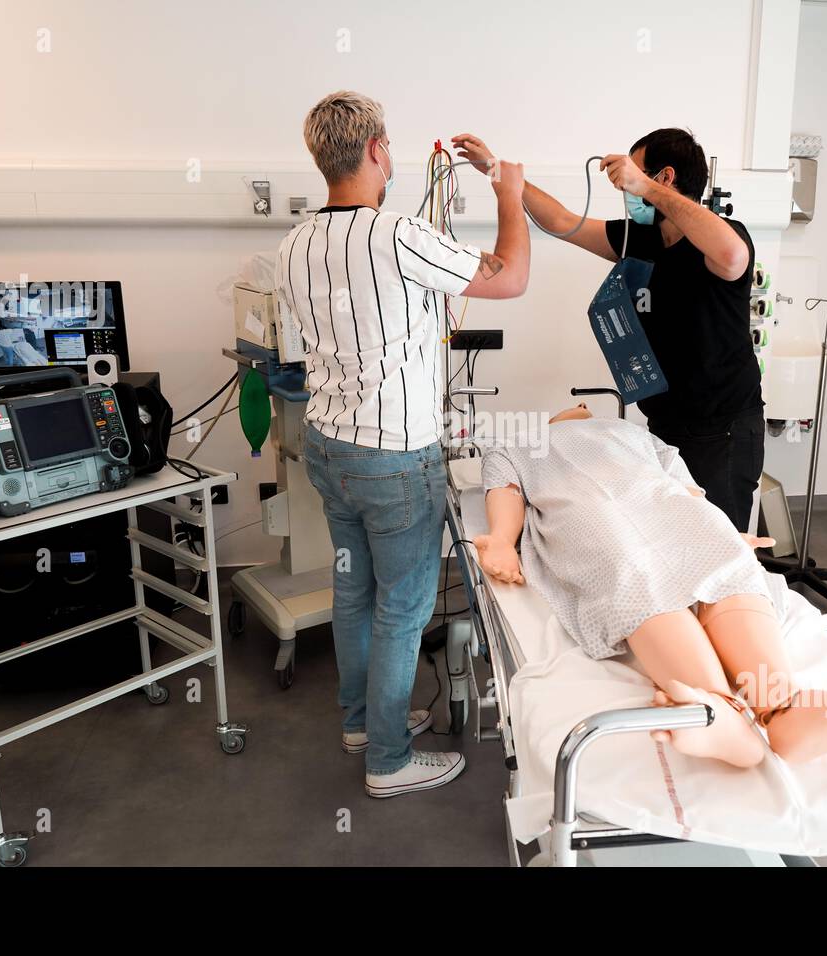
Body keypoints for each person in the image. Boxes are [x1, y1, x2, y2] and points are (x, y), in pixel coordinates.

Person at [277, 91, 529, 798]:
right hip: (393, 458)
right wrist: (508, 192)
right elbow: (510, 275)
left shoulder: (294, 242)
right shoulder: (395, 235)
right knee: (404, 607)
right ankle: (386, 761)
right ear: (379, 151)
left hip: (330, 448)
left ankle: (362, 722)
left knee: (355, 589)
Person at [475, 405, 827, 767]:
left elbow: (688, 491)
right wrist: (500, 541)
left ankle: (787, 712)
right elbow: (506, 493)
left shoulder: (633, 433)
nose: (577, 407)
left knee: (728, 565)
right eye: (569, 406)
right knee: (633, 571)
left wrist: (725, 533)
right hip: (590, 512)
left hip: (667, 507)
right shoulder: (516, 443)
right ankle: (718, 711)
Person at [453, 129, 765, 532]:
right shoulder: (641, 238)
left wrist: (646, 188)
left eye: (633, 178)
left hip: (722, 430)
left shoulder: (726, 236)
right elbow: (561, 221)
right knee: (675, 538)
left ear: (664, 178)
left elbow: (732, 256)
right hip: (667, 425)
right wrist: (497, 172)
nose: (627, 191)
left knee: (721, 546)